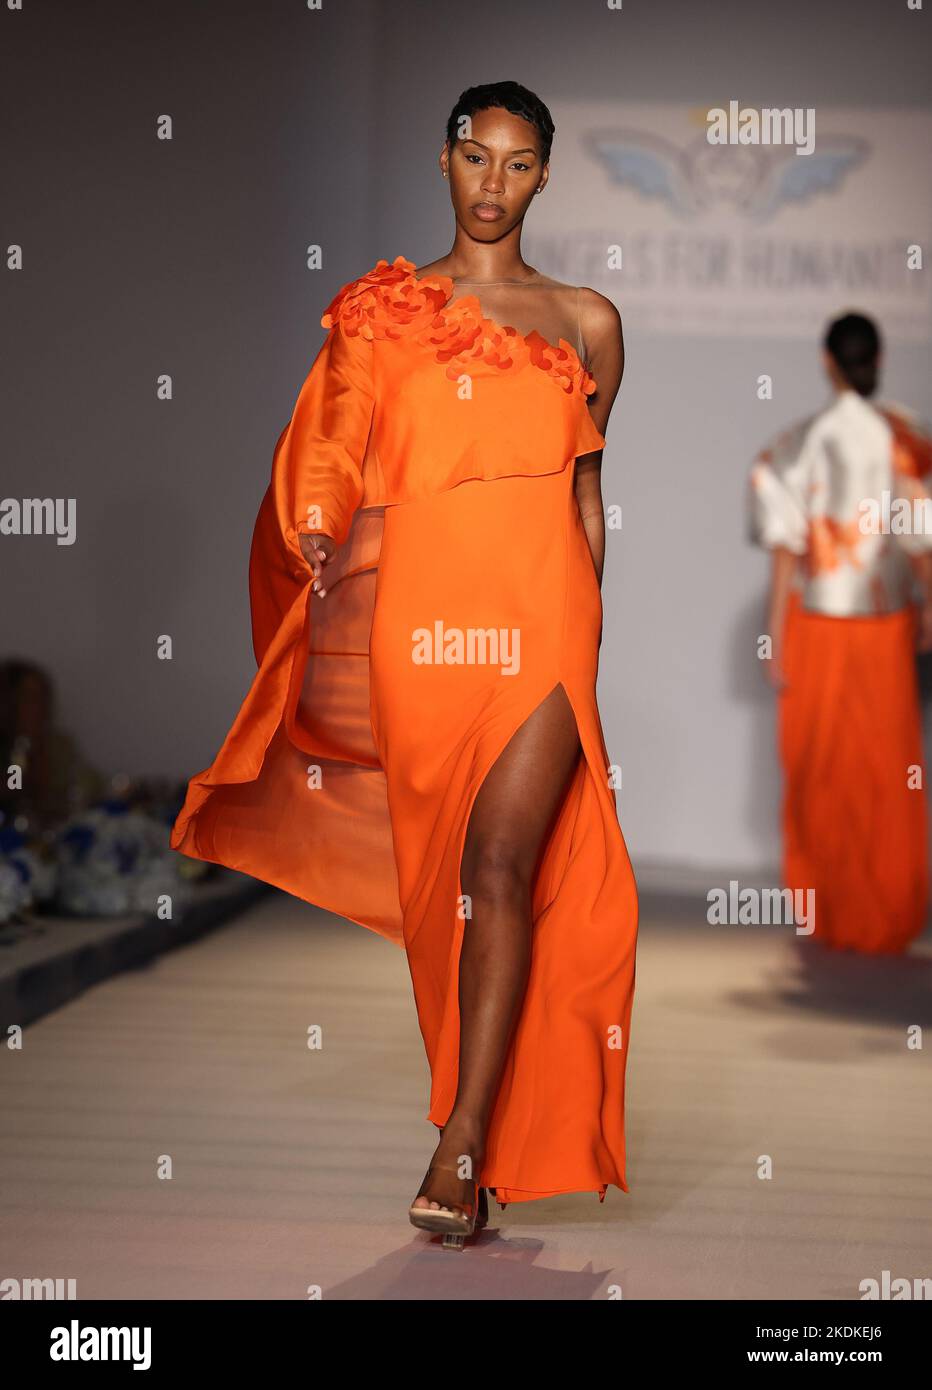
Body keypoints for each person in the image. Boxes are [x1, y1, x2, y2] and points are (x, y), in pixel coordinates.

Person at [170, 81, 639, 1243]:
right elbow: (328, 434)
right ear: (443, 161)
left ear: (543, 176)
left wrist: (587, 639)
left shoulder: (586, 320)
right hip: (422, 625)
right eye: (474, 156)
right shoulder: (384, 308)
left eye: (517, 163)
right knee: (449, 891)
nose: (492, 182)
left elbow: (586, 488)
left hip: (542, 619)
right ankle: (474, 1109)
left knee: (501, 859)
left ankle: (461, 1137)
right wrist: (318, 524)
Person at [749, 311, 932, 954]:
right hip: (885, 623)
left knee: (819, 767)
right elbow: (921, 539)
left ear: (828, 361)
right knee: (888, 769)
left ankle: (826, 912)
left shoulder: (800, 441)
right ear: (876, 360)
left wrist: (774, 634)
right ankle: (886, 915)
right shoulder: (907, 437)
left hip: (818, 626)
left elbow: (784, 546)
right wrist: (931, 607)